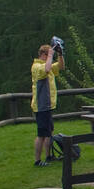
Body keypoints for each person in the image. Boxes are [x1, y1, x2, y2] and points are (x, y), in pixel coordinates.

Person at [31, 39, 64, 167]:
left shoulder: (47, 65)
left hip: (48, 105)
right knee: (41, 134)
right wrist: (51, 55)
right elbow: (46, 69)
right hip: (41, 106)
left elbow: (61, 66)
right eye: (49, 55)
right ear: (43, 55)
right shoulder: (37, 67)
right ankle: (37, 160)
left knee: (49, 132)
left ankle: (48, 156)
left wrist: (60, 55)